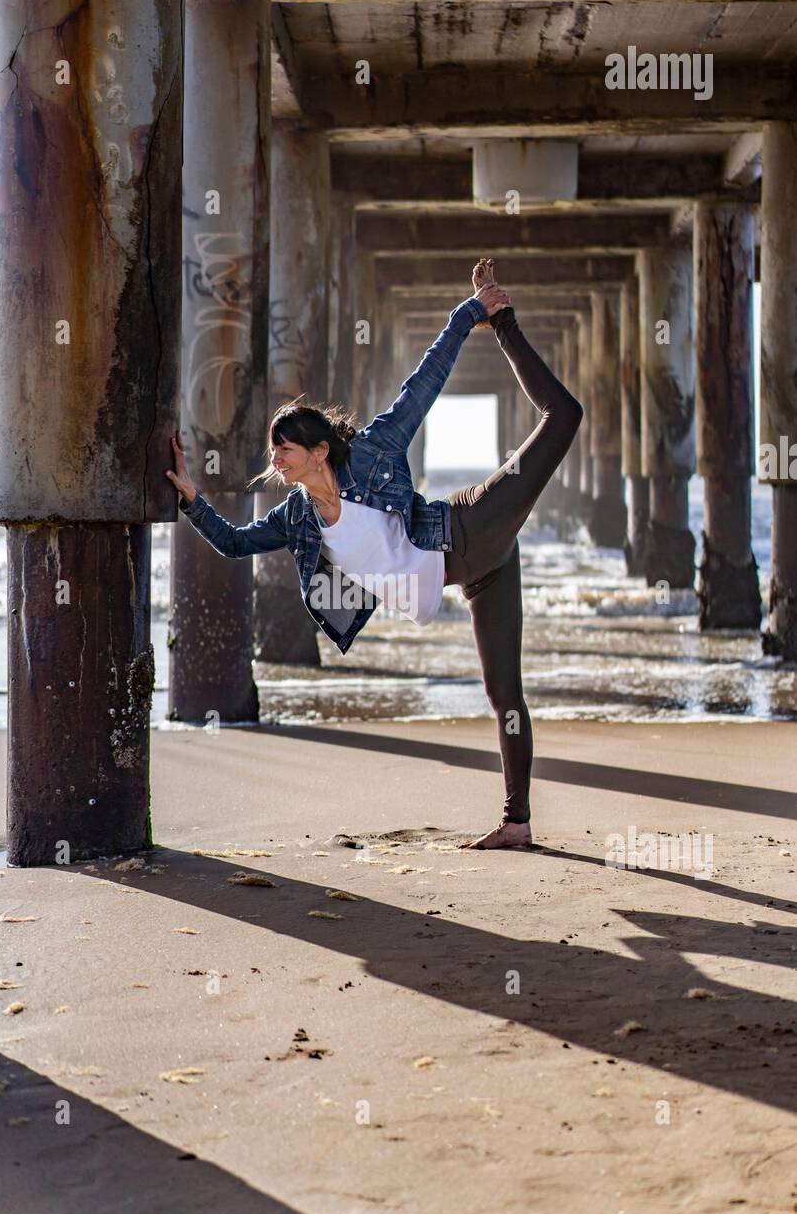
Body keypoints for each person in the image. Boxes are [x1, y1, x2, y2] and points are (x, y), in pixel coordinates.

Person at [167, 259, 583, 850]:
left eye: (284, 449)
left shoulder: (371, 452)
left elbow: (423, 384)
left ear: (317, 450)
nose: (277, 460)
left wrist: (474, 314)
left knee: (564, 417)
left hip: (468, 527)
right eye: (274, 451)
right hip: (475, 572)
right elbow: (235, 544)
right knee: (503, 694)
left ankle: (506, 319)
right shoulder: (298, 519)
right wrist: (191, 501)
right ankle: (517, 823)